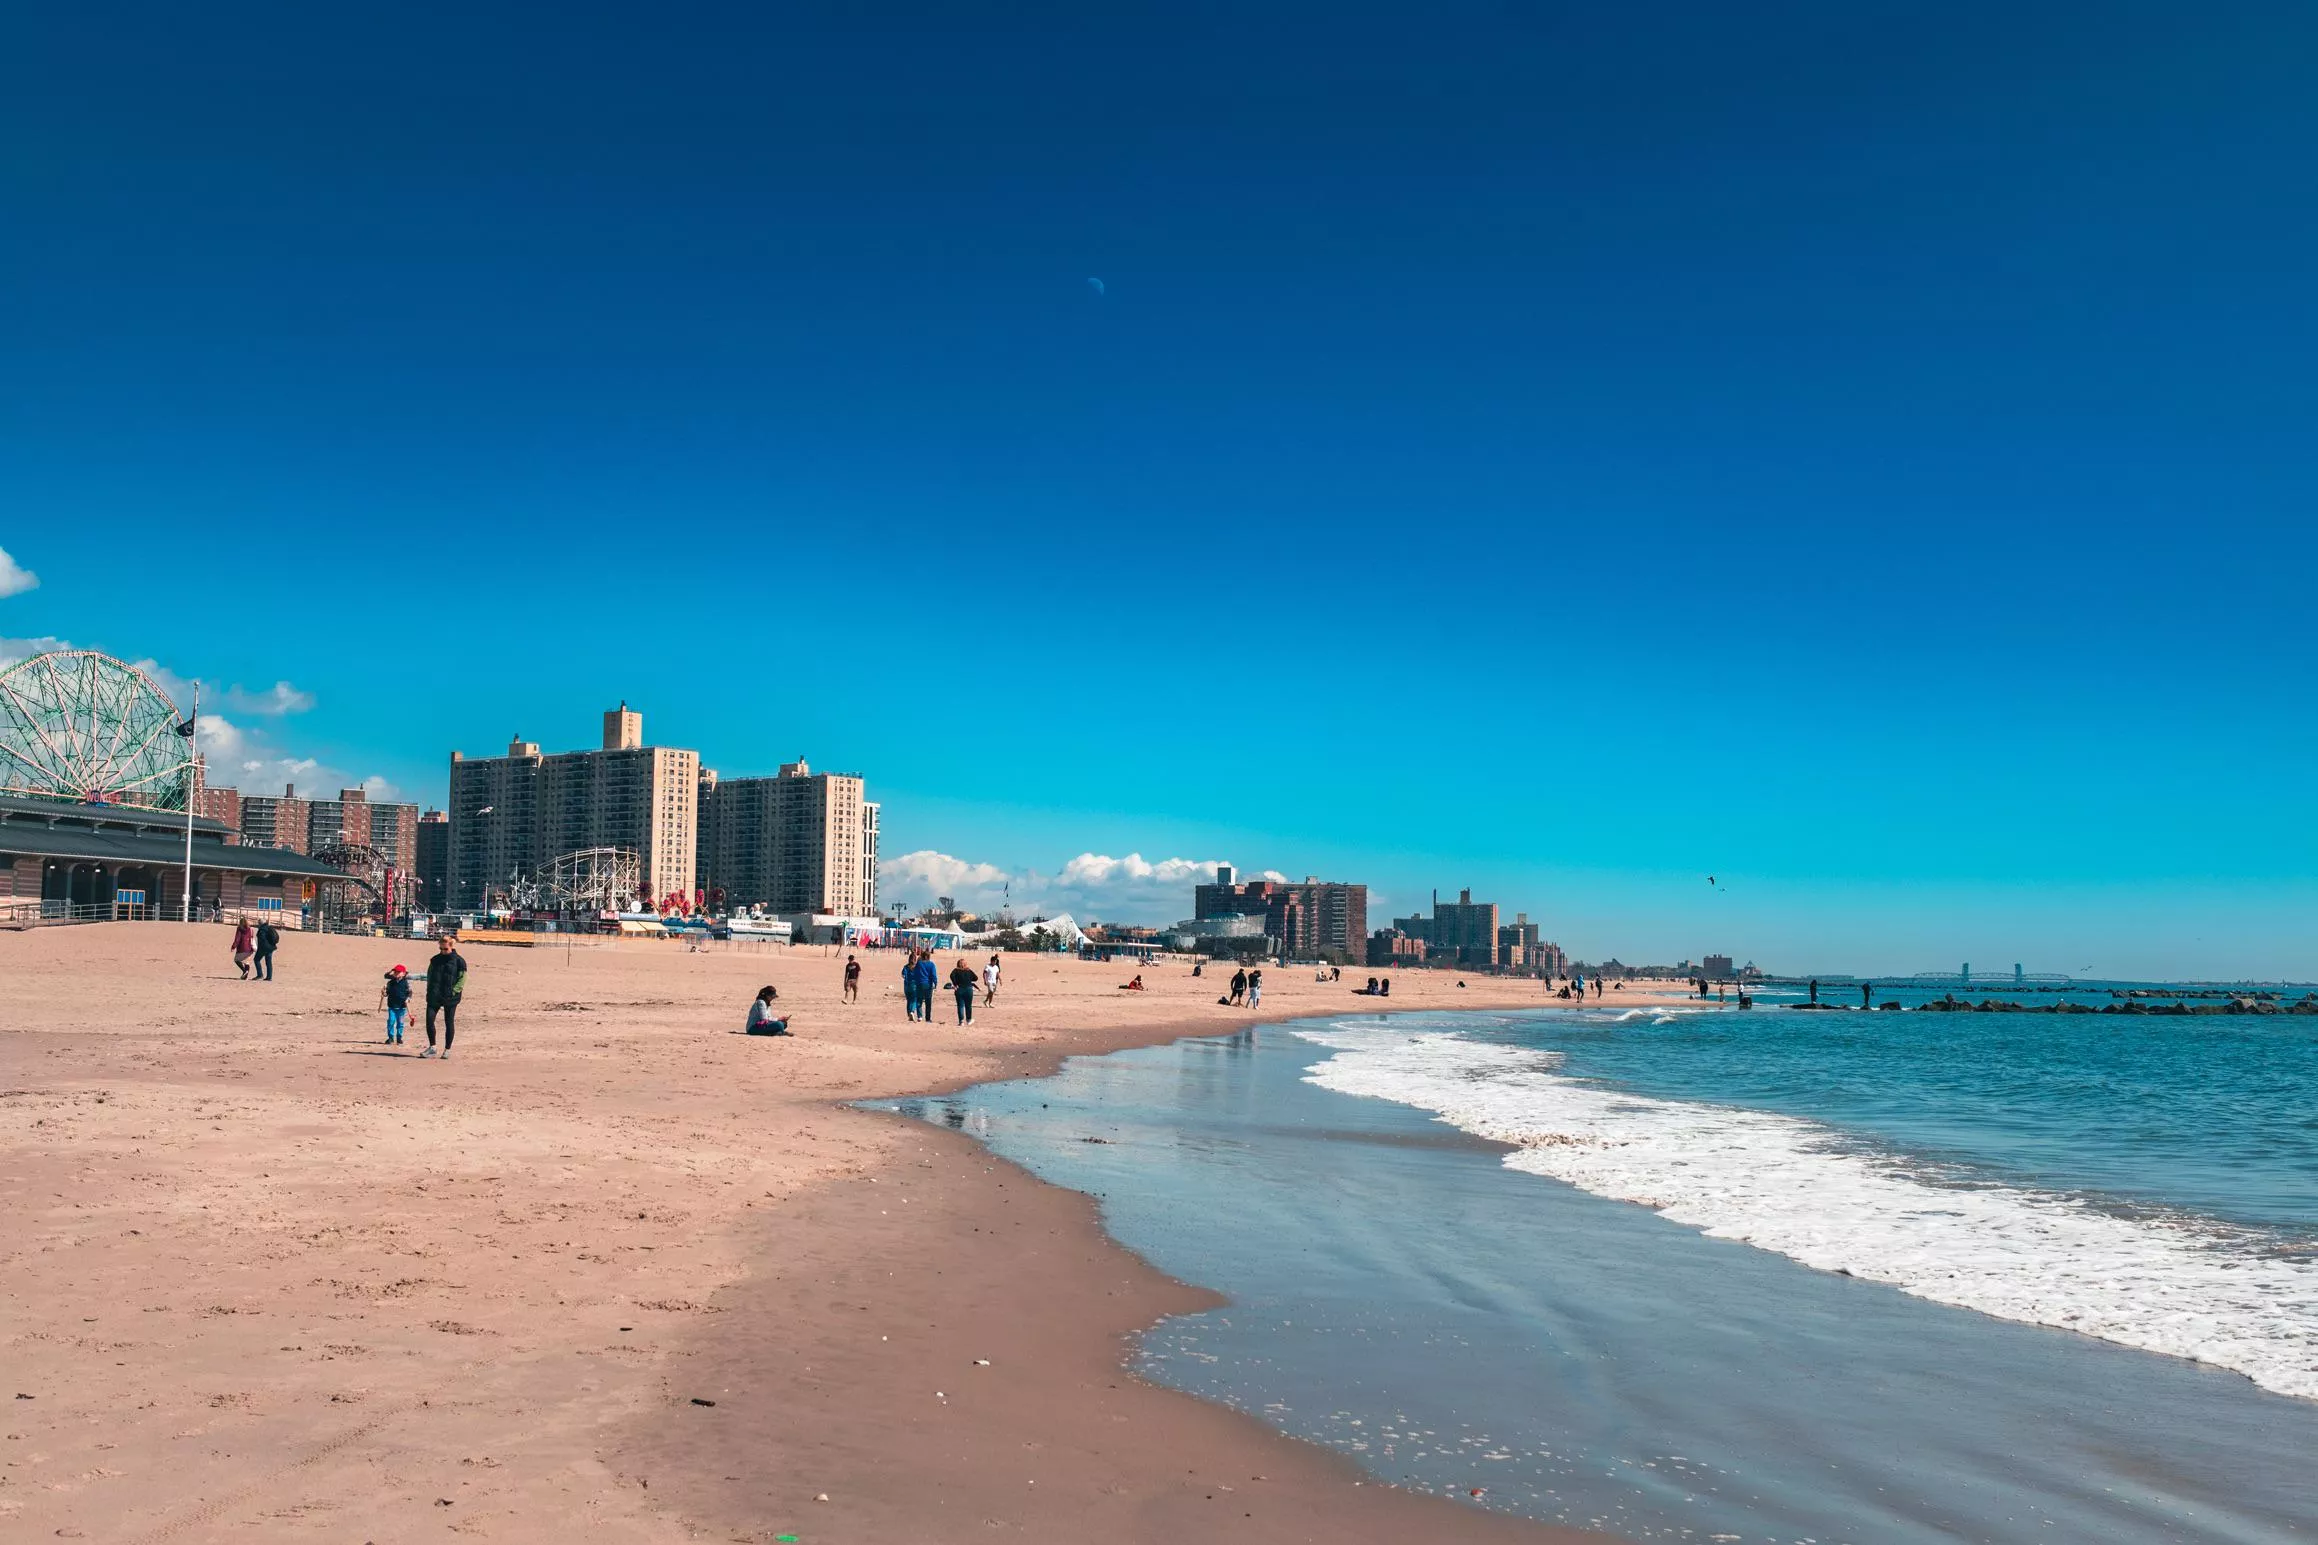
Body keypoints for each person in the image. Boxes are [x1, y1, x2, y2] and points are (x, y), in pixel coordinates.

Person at [422, 934, 468, 1059]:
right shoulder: (435, 960)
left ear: (451, 947)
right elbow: (430, 975)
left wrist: (454, 991)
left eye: (445, 949)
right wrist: (429, 989)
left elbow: (462, 979)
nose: (443, 951)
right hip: (434, 995)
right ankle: (432, 1047)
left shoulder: (459, 961)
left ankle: (447, 1049)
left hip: (450, 997)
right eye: (441, 949)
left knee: (449, 1022)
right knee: (429, 1020)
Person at [379, 965, 411, 1046]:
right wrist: (384, 993)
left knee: (400, 1023)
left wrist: (408, 998)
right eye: (395, 972)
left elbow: (409, 992)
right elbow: (387, 993)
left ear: (403, 973)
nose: (396, 973)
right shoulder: (391, 982)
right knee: (391, 1021)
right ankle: (390, 1037)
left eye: (398, 972)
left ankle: (399, 1038)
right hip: (392, 1006)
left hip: (402, 1007)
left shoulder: (406, 982)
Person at [948, 958, 979, 1024]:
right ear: (965, 964)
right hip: (968, 989)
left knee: (960, 1005)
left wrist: (955, 983)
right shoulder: (968, 970)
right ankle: (968, 1019)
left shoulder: (956, 970)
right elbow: (976, 978)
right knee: (968, 1005)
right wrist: (969, 978)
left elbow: (951, 976)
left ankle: (961, 1021)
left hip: (959, 989)